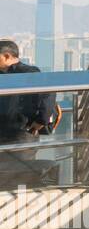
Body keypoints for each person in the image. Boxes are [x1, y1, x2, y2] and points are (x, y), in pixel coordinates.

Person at [0, 39, 60, 187]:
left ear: (6, 56)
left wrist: (40, 121)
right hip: (4, 132)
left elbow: (47, 95)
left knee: (21, 172)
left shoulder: (29, 72)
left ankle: (21, 198)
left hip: (22, 133)